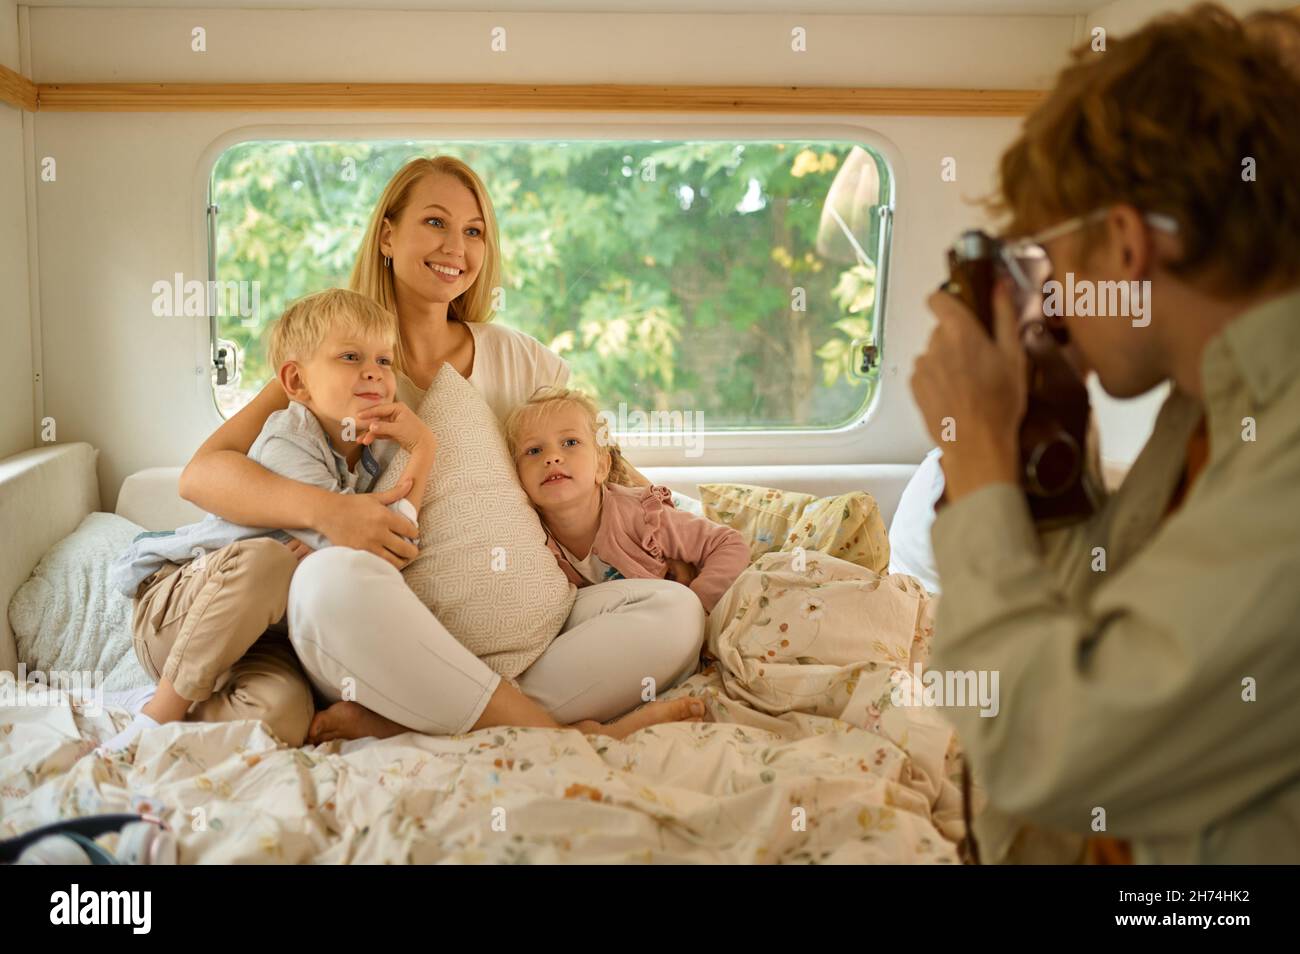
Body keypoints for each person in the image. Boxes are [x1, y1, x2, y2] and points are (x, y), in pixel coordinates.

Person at [909, 4, 1300, 864]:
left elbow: (1040, 749)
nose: (1047, 300)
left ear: (1123, 245)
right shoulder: (1203, 413)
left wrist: (975, 461)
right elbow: (1083, 641)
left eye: (1052, 259)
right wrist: (1035, 451)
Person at [180, 156, 707, 744]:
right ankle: (555, 731)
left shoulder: (523, 361)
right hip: (382, 634)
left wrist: (682, 538)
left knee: (676, 612)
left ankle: (405, 720)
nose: (455, 245)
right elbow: (202, 474)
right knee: (325, 581)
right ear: (387, 235)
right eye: (434, 222)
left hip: (512, 629)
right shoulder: (339, 361)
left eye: (474, 231)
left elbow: (600, 468)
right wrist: (324, 512)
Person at [103, 289, 426, 751]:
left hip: (260, 640)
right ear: (296, 381)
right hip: (185, 608)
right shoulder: (287, 439)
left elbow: (396, 541)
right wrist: (336, 536)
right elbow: (365, 548)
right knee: (269, 562)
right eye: (351, 357)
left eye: (383, 360)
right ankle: (159, 713)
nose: (373, 371)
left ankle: (175, 709)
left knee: (280, 720)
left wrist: (425, 447)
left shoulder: (370, 458)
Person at [505, 386, 749, 614]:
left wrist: (699, 607)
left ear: (601, 465)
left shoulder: (641, 517)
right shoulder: (535, 540)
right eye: (534, 450)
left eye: (570, 442)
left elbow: (728, 544)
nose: (552, 457)